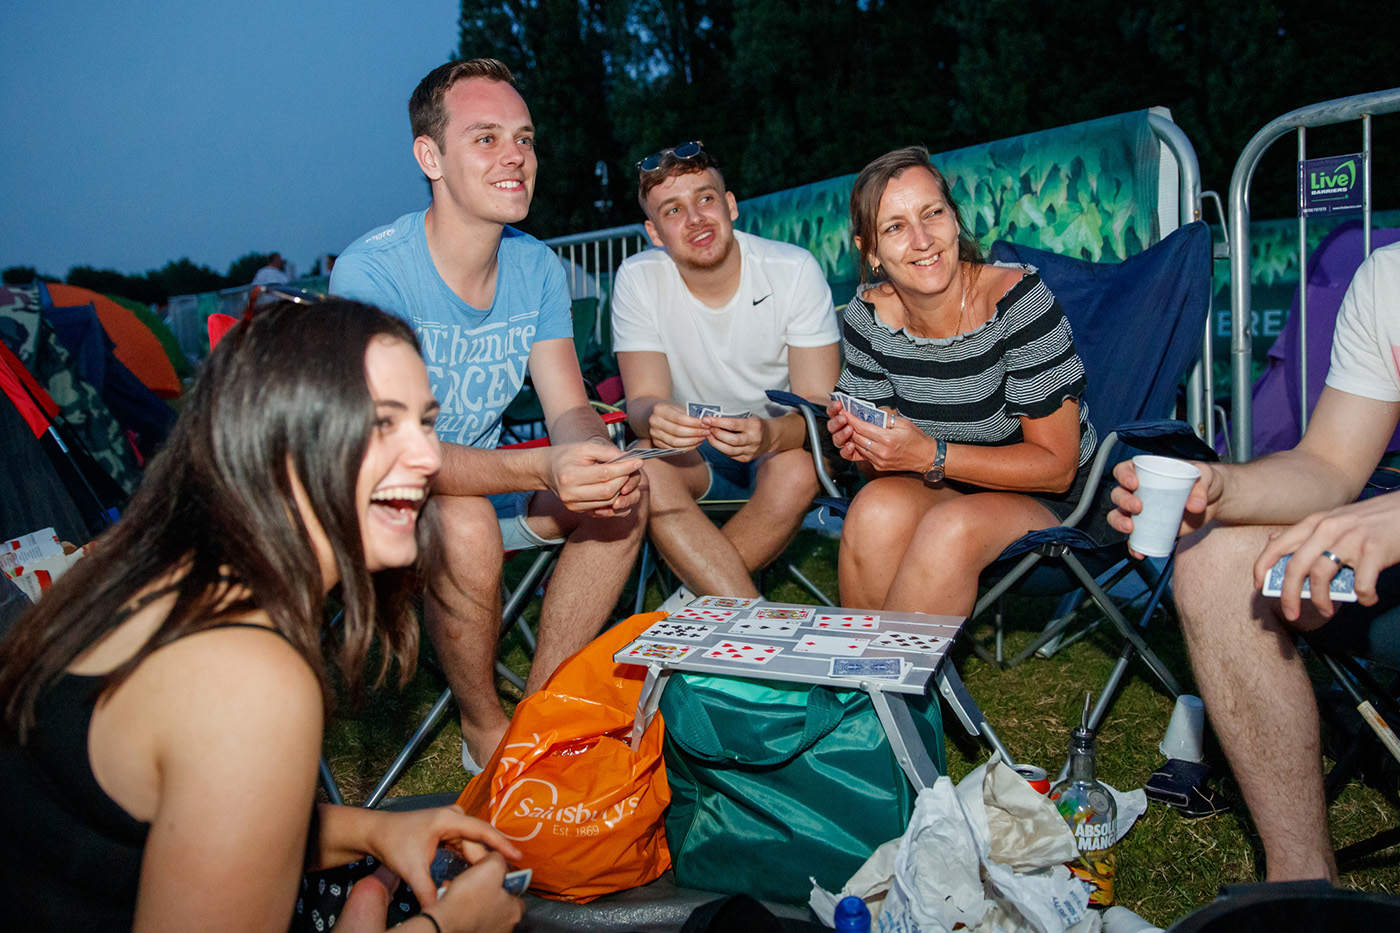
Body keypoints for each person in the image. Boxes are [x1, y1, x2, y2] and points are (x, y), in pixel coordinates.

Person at [0, 299, 524, 932]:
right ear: (280, 441)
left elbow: (166, 824)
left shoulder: (152, 569)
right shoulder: (250, 678)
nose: (429, 458)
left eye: (425, 423)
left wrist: (373, 829)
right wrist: (447, 929)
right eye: (382, 425)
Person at [329, 58, 645, 773]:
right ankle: (482, 729)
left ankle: (533, 725)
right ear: (430, 155)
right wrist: (543, 464)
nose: (516, 158)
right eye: (487, 138)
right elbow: (393, 450)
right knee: (465, 518)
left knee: (625, 491)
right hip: (388, 499)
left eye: (525, 139)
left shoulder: (533, 268)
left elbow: (569, 408)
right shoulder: (372, 274)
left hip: (485, 476)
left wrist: (591, 454)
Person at [1109, 240, 1400, 882]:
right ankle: (1299, 882)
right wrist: (1219, 489)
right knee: (1216, 554)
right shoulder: (1388, 281)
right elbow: (1330, 465)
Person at [827, 146, 1102, 617]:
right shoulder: (866, 320)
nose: (921, 240)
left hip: (1055, 500)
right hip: (946, 486)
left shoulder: (1019, 304)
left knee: (950, 526)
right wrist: (867, 449)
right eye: (894, 227)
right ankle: (862, 684)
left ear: (955, 220)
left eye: (932, 214)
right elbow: (887, 468)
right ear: (869, 250)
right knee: (873, 508)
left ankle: (887, 682)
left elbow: (1057, 466)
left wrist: (927, 454)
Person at [612, 142, 841, 598]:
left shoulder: (792, 270)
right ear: (653, 232)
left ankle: (681, 610)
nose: (695, 219)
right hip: (694, 453)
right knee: (641, 463)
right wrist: (655, 415)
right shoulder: (638, 279)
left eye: (705, 198)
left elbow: (820, 412)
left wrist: (769, 435)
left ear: (731, 204)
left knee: (798, 470)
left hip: (778, 446)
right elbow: (641, 401)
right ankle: (732, 608)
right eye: (672, 210)